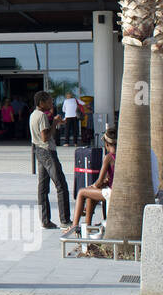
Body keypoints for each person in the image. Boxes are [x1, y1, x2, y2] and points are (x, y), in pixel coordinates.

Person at [31, 91, 72, 229]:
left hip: (38, 151)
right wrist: (54, 122)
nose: (51, 104)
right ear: (41, 103)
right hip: (47, 151)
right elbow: (45, 137)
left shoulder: (33, 115)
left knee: (42, 188)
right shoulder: (42, 116)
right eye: (49, 101)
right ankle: (65, 219)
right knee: (61, 185)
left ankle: (45, 220)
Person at [68, 127, 115, 231]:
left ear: (106, 144)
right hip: (114, 191)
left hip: (112, 193)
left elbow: (99, 181)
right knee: (90, 194)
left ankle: (74, 225)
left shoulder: (108, 157)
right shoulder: (123, 155)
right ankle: (87, 226)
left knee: (81, 192)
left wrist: (92, 186)